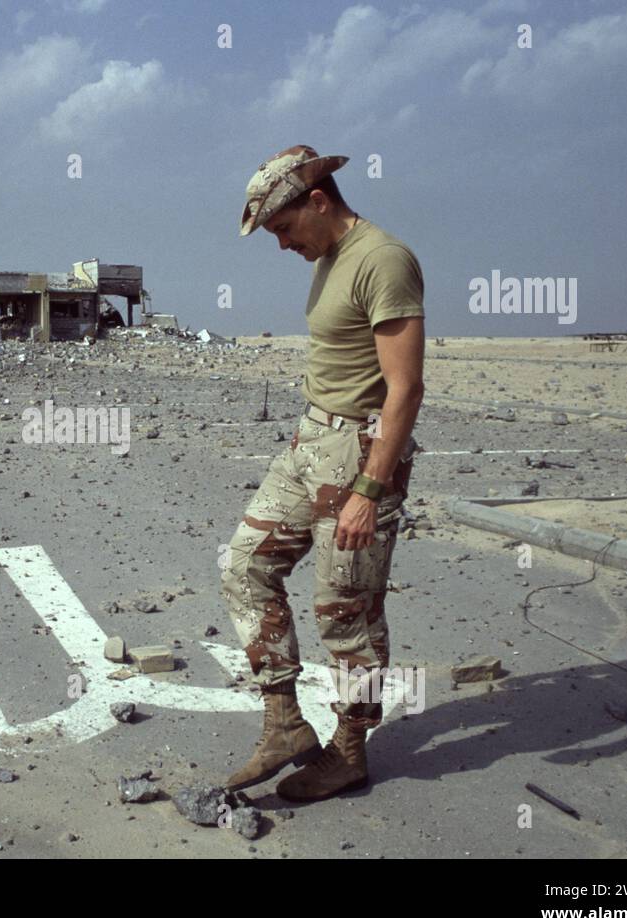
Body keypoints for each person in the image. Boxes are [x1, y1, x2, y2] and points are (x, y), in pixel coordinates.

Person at [220, 145, 425, 802]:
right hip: (312, 442)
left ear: (317, 202)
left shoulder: (383, 259)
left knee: (346, 612)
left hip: (359, 456)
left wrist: (369, 489)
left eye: (282, 230)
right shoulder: (332, 258)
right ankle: (284, 724)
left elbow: (405, 388)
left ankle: (348, 752)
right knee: (246, 565)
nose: (281, 245)